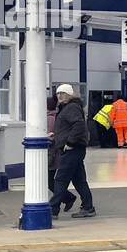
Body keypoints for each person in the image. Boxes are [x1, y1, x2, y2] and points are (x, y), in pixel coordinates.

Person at [49, 84, 95, 219]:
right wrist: (56, 135)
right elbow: (70, 126)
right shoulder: (68, 107)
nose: (59, 96)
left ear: (69, 94)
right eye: (58, 93)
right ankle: (88, 207)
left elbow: (79, 125)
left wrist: (70, 142)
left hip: (72, 149)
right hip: (75, 149)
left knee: (60, 179)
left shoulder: (71, 107)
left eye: (63, 93)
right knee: (79, 180)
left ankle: (53, 209)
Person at [47, 95, 74, 212]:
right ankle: (66, 198)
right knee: (53, 180)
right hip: (56, 153)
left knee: (51, 181)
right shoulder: (56, 116)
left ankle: (66, 198)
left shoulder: (49, 119)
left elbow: (52, 136)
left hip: (51, 153)